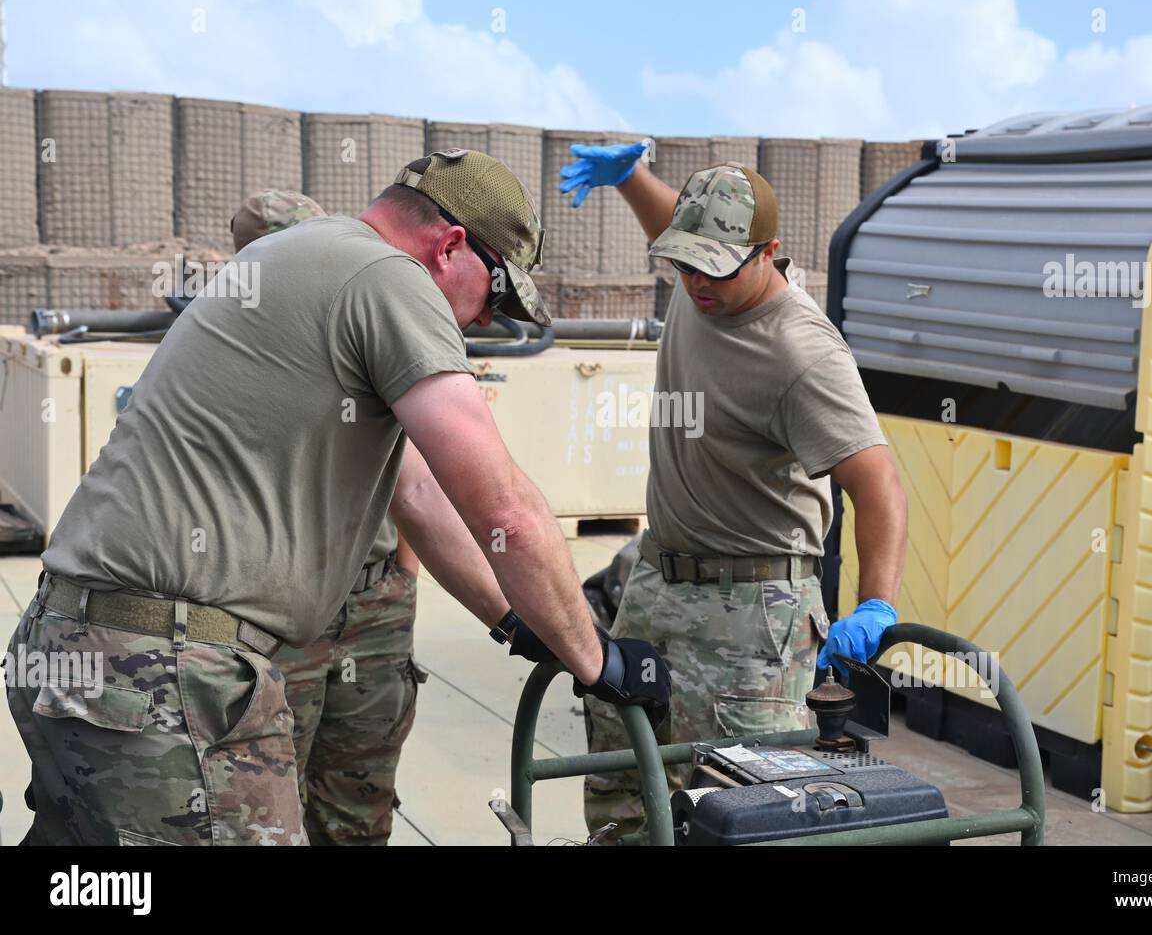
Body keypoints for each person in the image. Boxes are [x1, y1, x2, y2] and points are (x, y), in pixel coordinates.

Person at [6, 149, 669, 846]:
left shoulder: (306, 258)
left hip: (82, 647)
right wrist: (600, 661)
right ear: (449, 247)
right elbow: (504, 506)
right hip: (165, 675)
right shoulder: (389, 279)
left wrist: (519, 622)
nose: (483, 323)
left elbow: (416, 490)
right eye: (495, 295)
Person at [559, 144, 908, 838]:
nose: (694, 282)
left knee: (741, 807)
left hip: (753, 620)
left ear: (768, 253)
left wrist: (877, 604)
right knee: (624, 794)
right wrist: (632, 179)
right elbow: (687, 227)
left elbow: (879, 485)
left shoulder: (803, 355)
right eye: (683, 263)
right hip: (656, 585)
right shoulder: (704, 272)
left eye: (713, 268)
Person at [231, 189, 423, 846]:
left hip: (373, 606)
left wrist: (402, 576)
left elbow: (412, 466)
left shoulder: (368, 331)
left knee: (360, 807)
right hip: (279, 611)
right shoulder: (229, 350)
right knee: (268, 803)